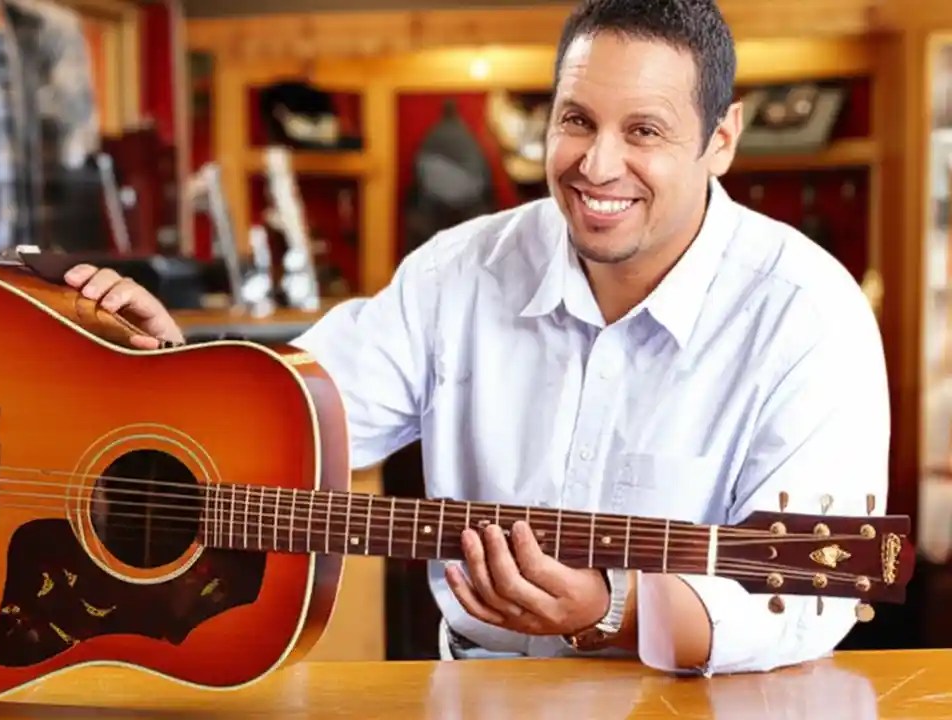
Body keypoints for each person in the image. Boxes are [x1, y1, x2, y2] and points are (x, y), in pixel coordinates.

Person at [61, 0, 889, 676]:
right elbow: (301, 418)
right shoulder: (460, 270)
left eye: (644, 131)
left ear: (721, 140)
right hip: (473, 687)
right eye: (576, 120)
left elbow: (809, 600)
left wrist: (614, 609)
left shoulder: (809, 314)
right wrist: (173, 380)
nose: (597, 166)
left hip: (689, 701)